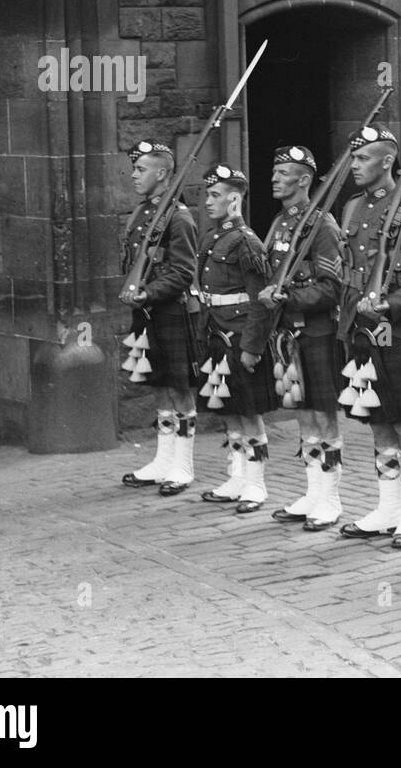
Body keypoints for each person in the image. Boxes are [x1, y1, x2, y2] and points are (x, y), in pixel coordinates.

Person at [335, 125, 401, 551]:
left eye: (363, 158)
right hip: (362, 332)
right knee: (378, 420)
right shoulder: (351, 209)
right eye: (354, 157)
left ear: (386, 161)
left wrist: (390, 304)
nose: (355, 165)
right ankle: (387, 508)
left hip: (400, 332)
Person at [258, 145, 345, 531]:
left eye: (283, 173)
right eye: (275, 172)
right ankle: (313, 492)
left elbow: (332, 288)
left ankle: (331, 499)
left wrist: (288, 298)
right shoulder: (280, 224)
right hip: (287, 333)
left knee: (323, 415)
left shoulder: (322, 226)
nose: (274, 178)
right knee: (303, 413)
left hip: (316, 331)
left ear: (304, 179)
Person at [119, 140, 201, 496]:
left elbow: (183, 272)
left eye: (141, 169)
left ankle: (183, 466)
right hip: (147, 312)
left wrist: (148, 293)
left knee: (179, 388)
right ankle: (163, 460)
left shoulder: (178, 217)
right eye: (134, 169)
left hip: (172, 311)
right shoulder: (142, 213)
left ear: (163, 173)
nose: (134, 175)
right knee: (160, 385)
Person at [195, 164, 275, 512]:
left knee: (249, 411)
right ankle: (237, 477)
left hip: (239, 334)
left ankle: (256, 484)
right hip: (215, 332)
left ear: (234, 199)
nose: (207, 201)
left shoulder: (246, 242)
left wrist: (252, 347)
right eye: (207, 194)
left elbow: (260, 301)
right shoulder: (211, 238)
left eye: (215, 195)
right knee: (228, 409)